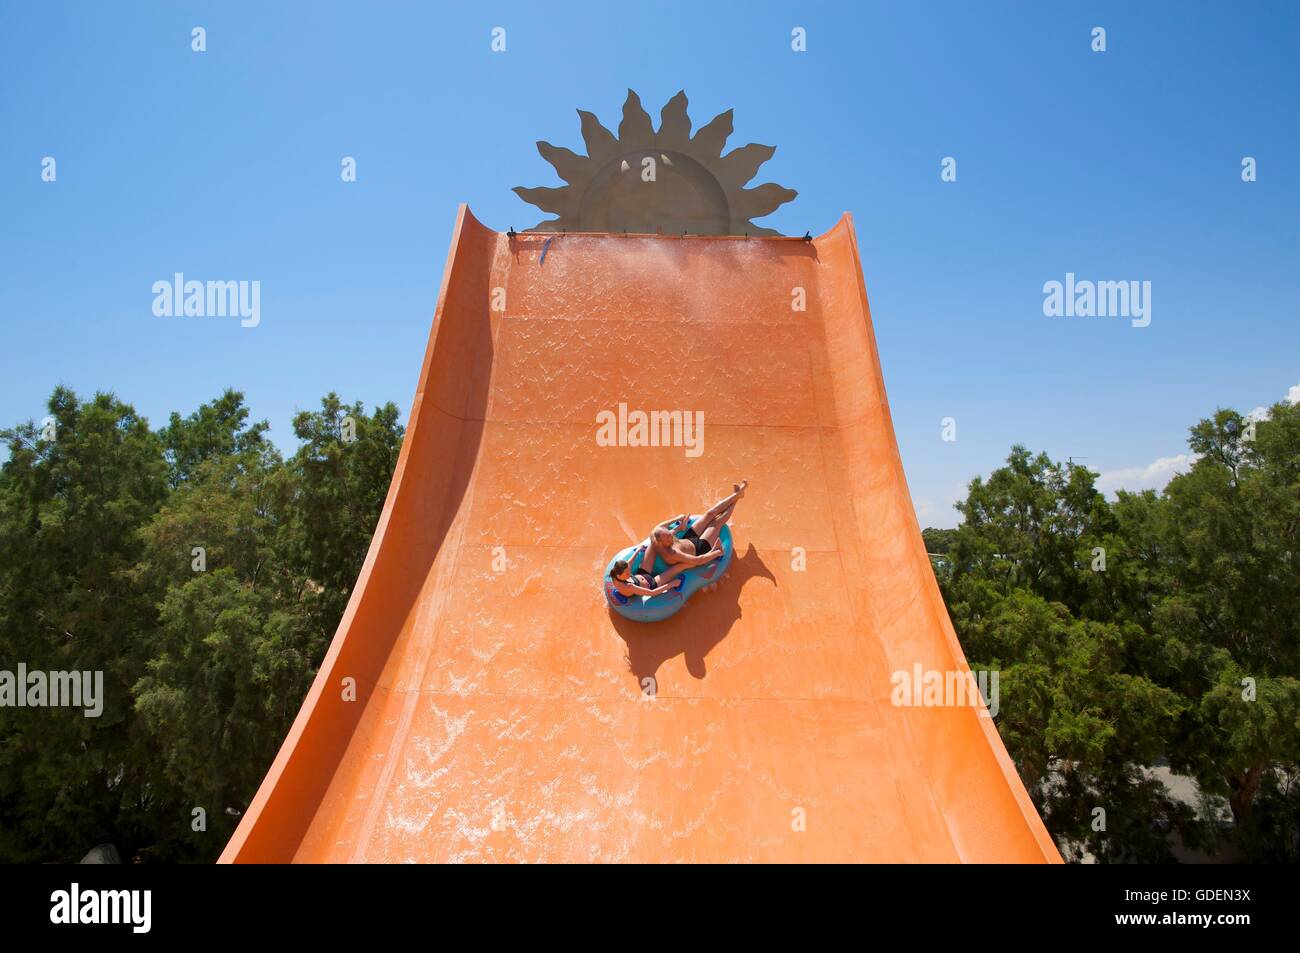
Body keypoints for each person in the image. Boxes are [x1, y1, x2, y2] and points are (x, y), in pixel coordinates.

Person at [651, 481, 746, 568]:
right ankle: (738, 497)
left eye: (670, 535)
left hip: (687, 538)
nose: (671, 538)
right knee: (716, 522)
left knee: (710, 513)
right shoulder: (672, 553)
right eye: (668, 541)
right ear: (661, 543)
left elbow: (659, 527)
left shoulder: (655, 534)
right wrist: (716, 553)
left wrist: (678, 519)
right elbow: (698, 561)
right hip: (699, 549)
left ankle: (736, 494)